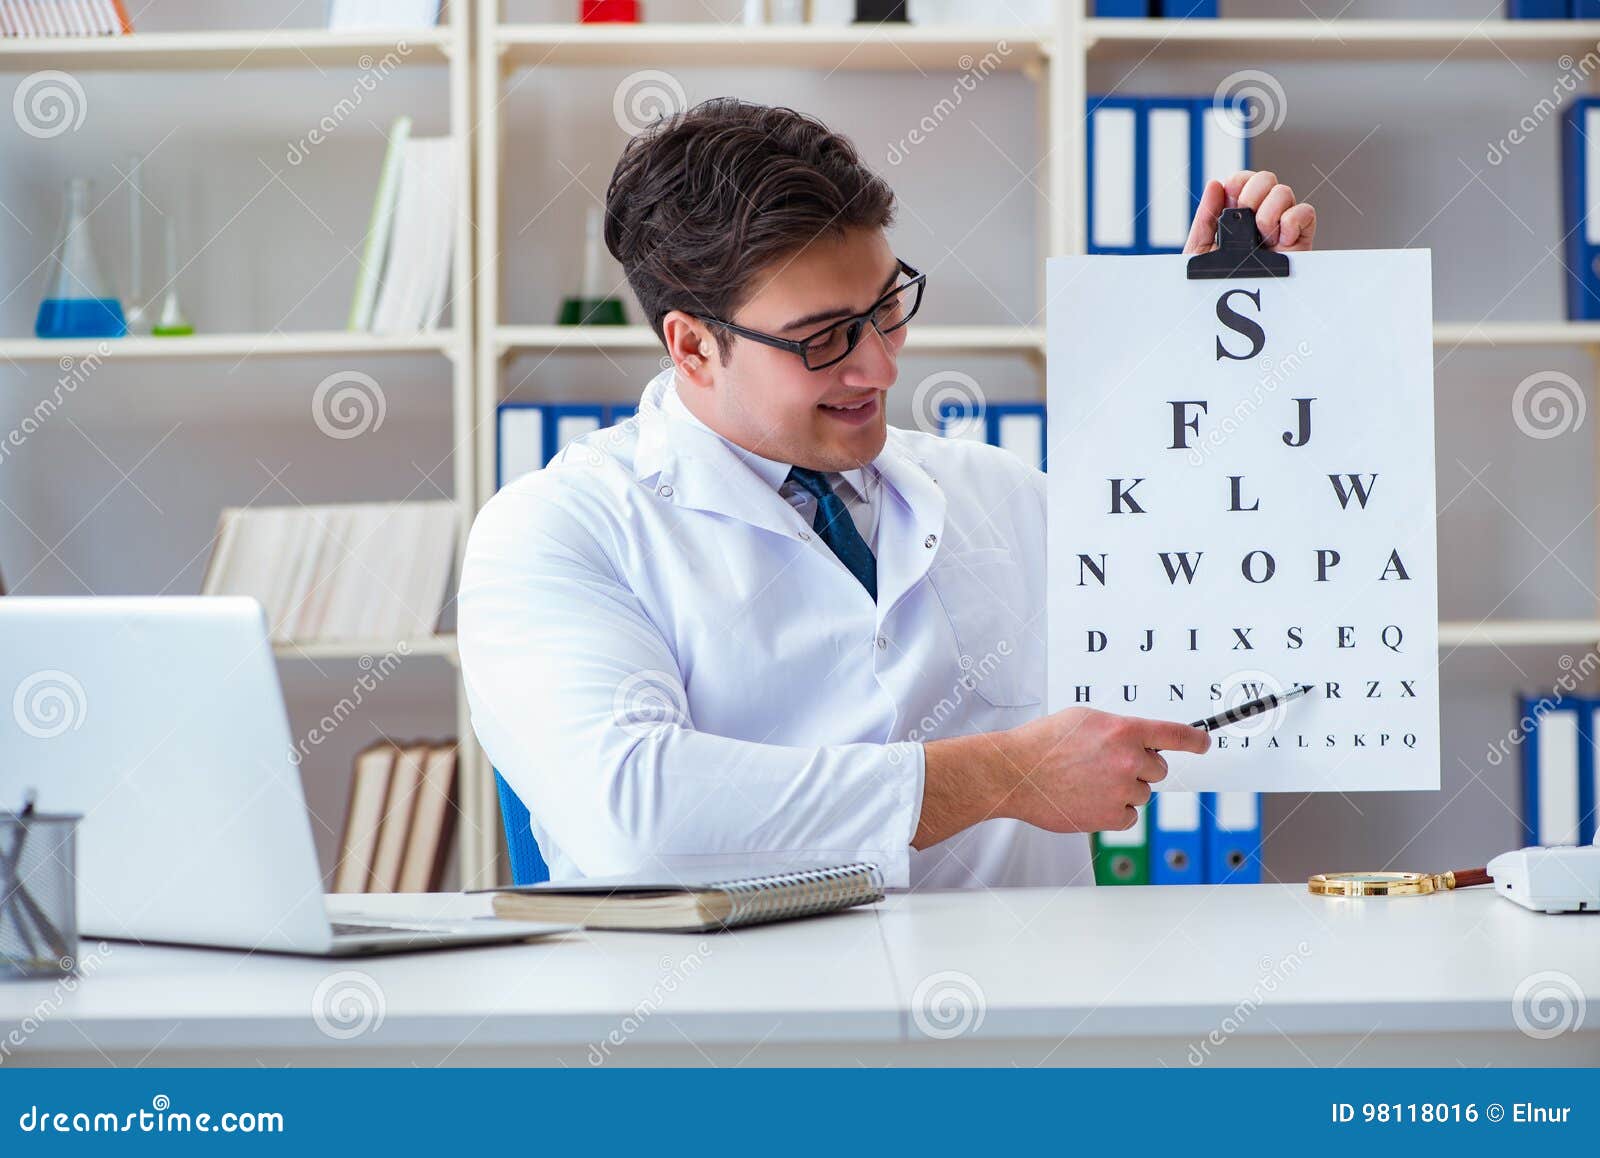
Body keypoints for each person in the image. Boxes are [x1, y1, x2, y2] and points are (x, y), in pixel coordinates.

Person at [458, 98, 1318, 889]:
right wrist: (1005, 774)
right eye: (824, 337)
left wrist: (1225, 360)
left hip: (1035, 997)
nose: (879, 365)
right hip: (728, 1007)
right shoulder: (557, 531)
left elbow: (1230, 658)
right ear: (692, 347)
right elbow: (636, 821)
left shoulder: (1002, 493)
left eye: (887, 306)